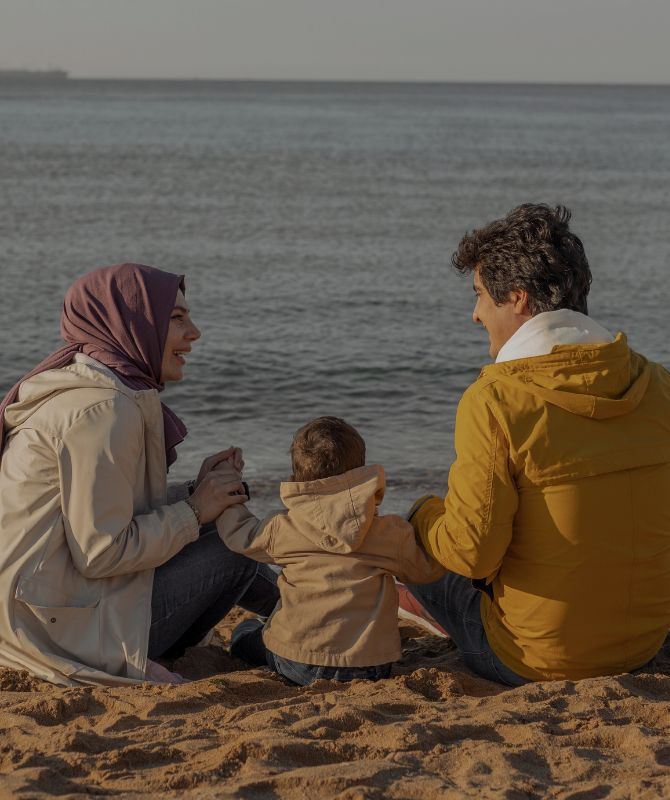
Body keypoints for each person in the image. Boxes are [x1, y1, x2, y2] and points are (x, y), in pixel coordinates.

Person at [402, 204, 670, 686]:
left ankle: (418, 602)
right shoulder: (658, 384)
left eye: (481, 295)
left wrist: (422, 515)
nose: (475, 313)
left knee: (426, 532)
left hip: (537, 658)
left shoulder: (495, 400)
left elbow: (472, 555)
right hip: (644, 641)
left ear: (518, 299)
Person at [0, 263, 278, 686]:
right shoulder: (103, 411)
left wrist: (196, 494)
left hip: (44, 608)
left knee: (221, 520)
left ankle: (304, 605)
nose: (195, 332)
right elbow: (101, 552)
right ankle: (319, 612)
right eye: (177, 318)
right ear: (131, 322)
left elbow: (105, 511)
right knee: (230, 542)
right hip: (62, 632)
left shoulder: (93, 390)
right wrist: (194, 510)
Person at [216, 416, 445, 686]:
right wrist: (429, 515)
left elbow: (240, 533)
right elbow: (426, 568)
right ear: (362, 474)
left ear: (295, 477)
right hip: (369, 666)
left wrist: (228, 484)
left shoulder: (285, 528)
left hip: (297, 662)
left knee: (246, 632)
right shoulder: (387, 533)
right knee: (265, 626)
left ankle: (259, 629)